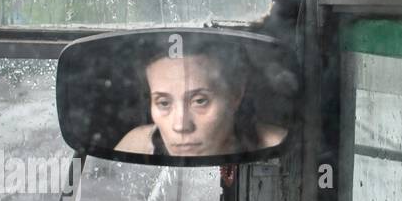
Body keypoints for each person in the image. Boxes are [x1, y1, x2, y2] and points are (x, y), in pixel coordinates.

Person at [115, 48, 287, 157]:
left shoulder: (280, 148)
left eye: (199, 101)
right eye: (164, 103)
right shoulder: (139, 145)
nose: (181, 126)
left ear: (235, 95)